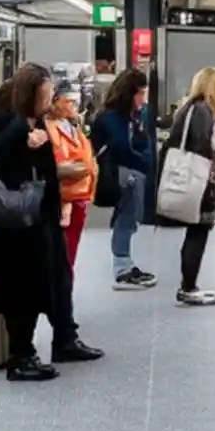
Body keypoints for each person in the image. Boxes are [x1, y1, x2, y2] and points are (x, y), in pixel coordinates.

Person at [0, 64, 103, 382]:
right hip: (15, 223)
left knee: (57, 279)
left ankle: (64, 338)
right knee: (22, 290)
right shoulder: (8, 123)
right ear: (30, 94)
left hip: (40, 216)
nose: (51, 99)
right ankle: (20, 356)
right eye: (47, 93)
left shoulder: (34, 122)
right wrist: (24, 138)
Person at [163, 67, 215, 306]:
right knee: (197, 233)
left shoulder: (190, 108)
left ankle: (189, 284)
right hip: (200, 184)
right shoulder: (203, 112)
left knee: (195, 233)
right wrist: (212, 184)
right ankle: (188, 287)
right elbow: (204, 148)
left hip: (196, 182)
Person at [90, 68, 157, 290]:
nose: (144, 99)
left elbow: (142, 144)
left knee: (130, 219)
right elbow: (122, 148)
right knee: (125, 220)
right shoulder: (110, 119)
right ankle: (121, 267)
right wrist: (142, 161)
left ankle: (125, 262)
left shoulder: (139, 116)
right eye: (140, 94)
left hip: (135, 175)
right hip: (120, 176)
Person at [45, 80, 98, 281]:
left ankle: (65, 290)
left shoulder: (72, 126)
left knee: (71, 251)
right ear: (55, 101)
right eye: (69, 101)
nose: (73, 106)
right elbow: (58, 160)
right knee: (62, 253)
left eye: (76, 102)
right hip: (64, 196)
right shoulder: (50, 128)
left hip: (80, 194)